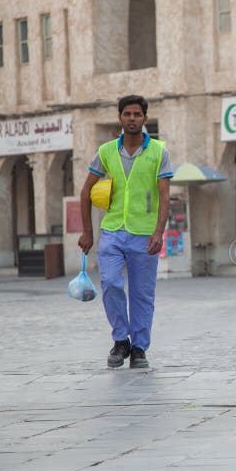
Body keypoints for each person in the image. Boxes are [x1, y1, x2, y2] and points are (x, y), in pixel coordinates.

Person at [78, 95, 173, 369]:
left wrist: (159, 232)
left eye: (137, 114)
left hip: (145, 234)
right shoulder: (106, 151)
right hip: (113, 230)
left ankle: (140, 347)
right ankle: (121, 339)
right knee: (110, 282)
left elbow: (165, 197)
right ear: (120, 118)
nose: (132, 119)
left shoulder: (159, 152)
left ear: (145, 118)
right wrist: (87, 232)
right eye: (127, 114)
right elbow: (86, 192)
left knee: (143, 294)